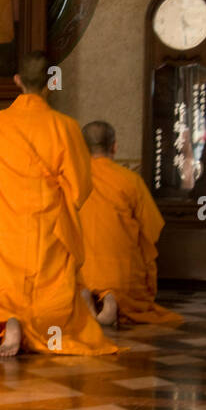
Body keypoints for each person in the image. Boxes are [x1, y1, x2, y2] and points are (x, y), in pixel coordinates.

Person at [0, 52, 118, 358]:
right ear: (50, 84)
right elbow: (80, 188)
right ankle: (26, 326)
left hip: (2, 231)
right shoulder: (64, 126)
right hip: (44, 228)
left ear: (17, 81)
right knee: (49, 293)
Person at [78, 121, 182, 327]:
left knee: (71, 273)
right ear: (114, 147)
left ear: (82, 147)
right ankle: (112, 297)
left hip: (81, 269)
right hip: (123, 274)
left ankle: (87, 295)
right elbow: (151, 230)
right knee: (137, 260)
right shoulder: (130, 180)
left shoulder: (74, 180)